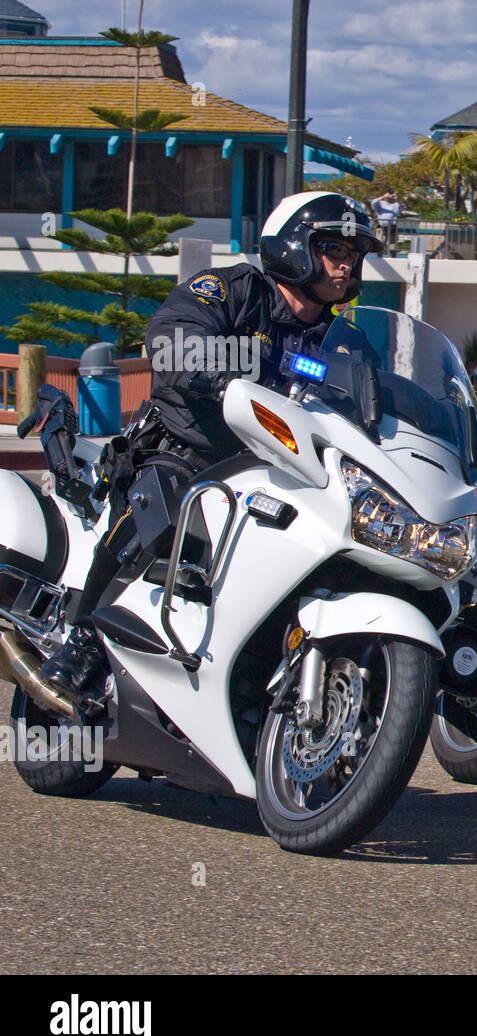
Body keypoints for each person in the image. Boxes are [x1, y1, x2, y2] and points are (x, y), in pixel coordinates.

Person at [40, 190, 383, 701]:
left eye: (353, 256)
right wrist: (217, 379)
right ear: (293, 246)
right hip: (190, 452)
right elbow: (171, 336)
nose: (345, 265)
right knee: (165, 503)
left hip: (286, 478)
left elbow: (382, 412)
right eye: (334, 250)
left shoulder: (346, 342)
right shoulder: (234, 291)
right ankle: (83, 641)